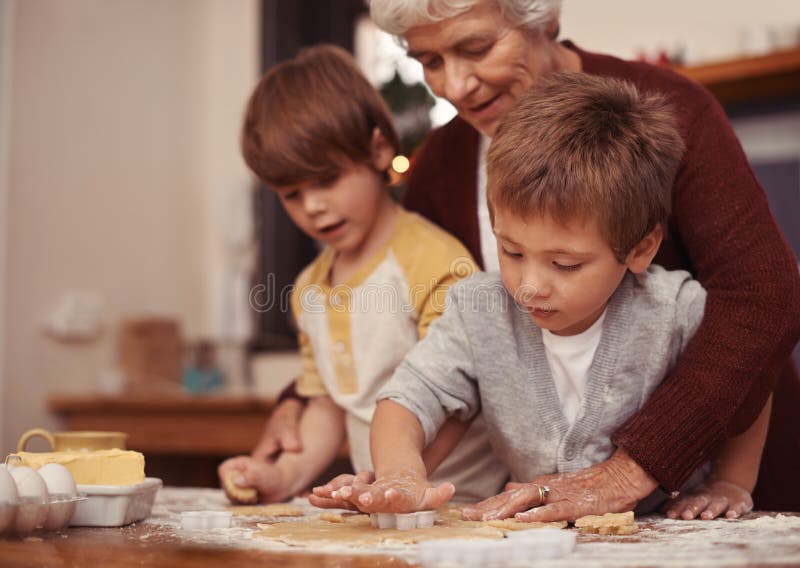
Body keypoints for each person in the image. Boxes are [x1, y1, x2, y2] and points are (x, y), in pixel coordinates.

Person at [303, 0, 800, 519]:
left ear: (541, 20)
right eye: (428, 61)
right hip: (542, 516)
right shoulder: (439, 168)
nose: (453, 86)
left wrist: (666, 474)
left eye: (476, 48)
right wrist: (391, 465)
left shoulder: (670, 117)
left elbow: (762, 297)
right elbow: (439, 364)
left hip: (709, 504)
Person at [217, 44, 507, 504]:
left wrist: (399, 476)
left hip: (467, 504)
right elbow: (329, 408)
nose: (313, 206)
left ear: (378, 150)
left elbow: (463, 392)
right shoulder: (309, 289)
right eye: (291, 194)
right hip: (383, 505)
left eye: (327, 180)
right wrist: (284, 475)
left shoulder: (432, 260)